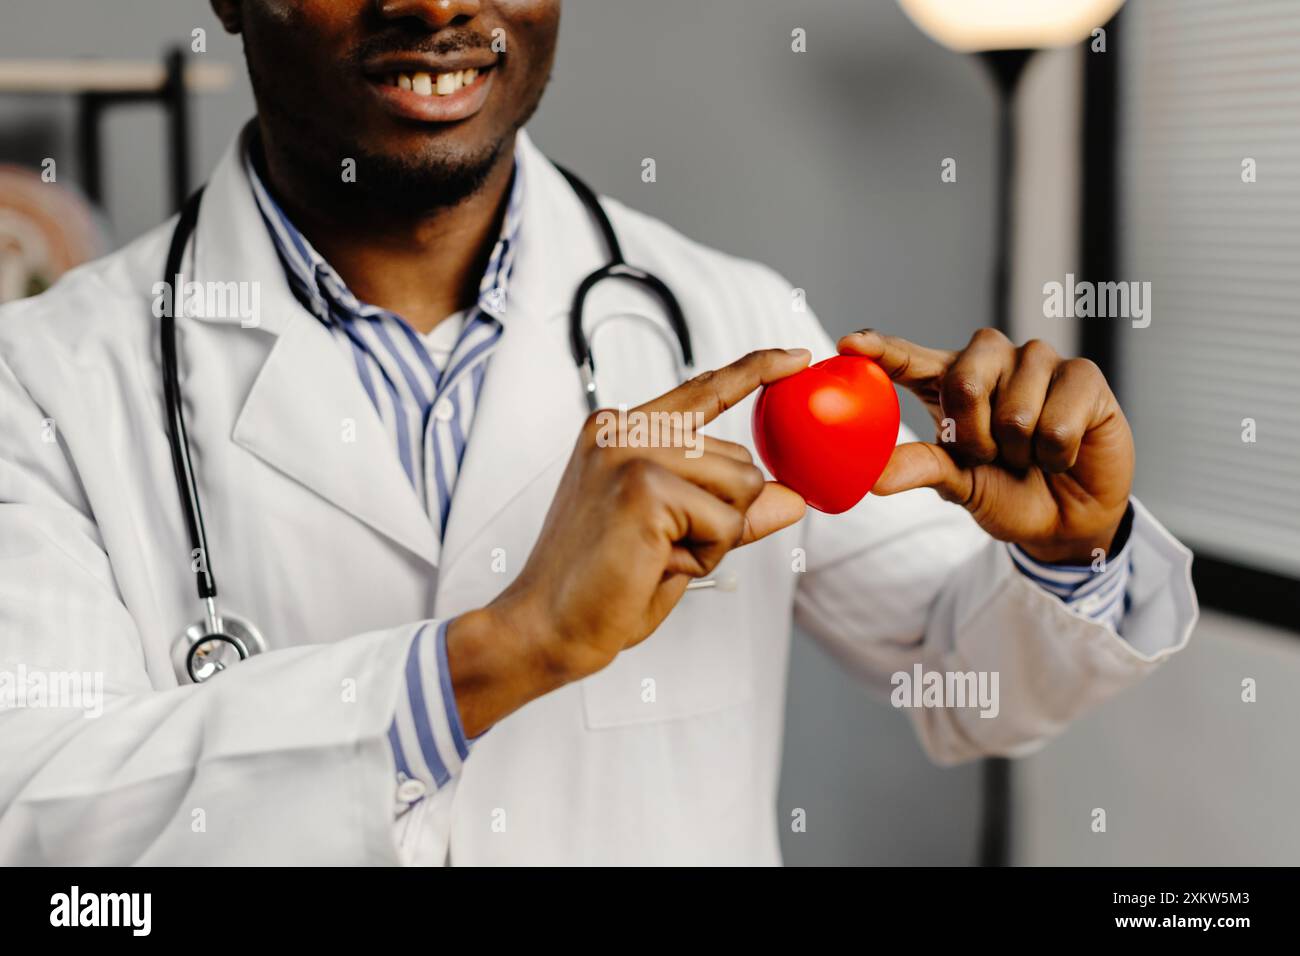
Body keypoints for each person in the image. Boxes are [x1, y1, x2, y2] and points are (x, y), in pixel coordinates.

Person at [0, 0, 1195, 865]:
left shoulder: (733, 319)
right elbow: (40, 827)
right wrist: (499, 650)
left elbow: (959, 674)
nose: (436, 3)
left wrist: (1065, 554)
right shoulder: (47, 382)